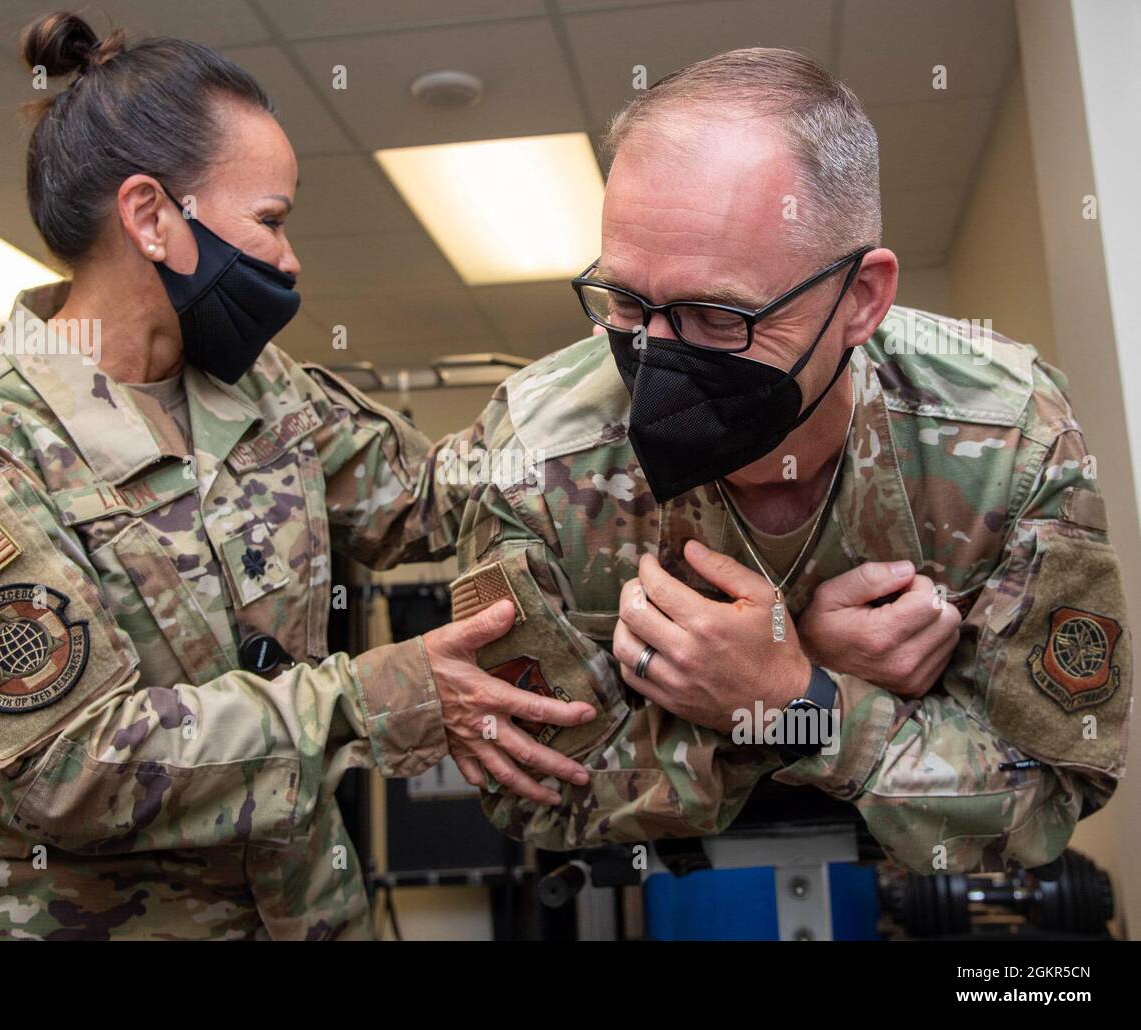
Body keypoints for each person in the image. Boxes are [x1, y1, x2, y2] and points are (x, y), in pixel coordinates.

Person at [0, 12, 595, 940]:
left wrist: (623, 364)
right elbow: (73, 768)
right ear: (151, 216)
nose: (289, 260)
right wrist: (373, 696)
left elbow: (434, 496)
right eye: (271, 221)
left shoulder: (257, 387)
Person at [452, 48, 1130, 873]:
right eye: (628, 303)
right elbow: (538, 797)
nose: (656, 362)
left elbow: (1050, 794)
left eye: (716, 316)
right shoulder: (533, 456)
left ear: (861, 300)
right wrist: (797, 686)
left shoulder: (1008, 436)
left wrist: (795, 699)